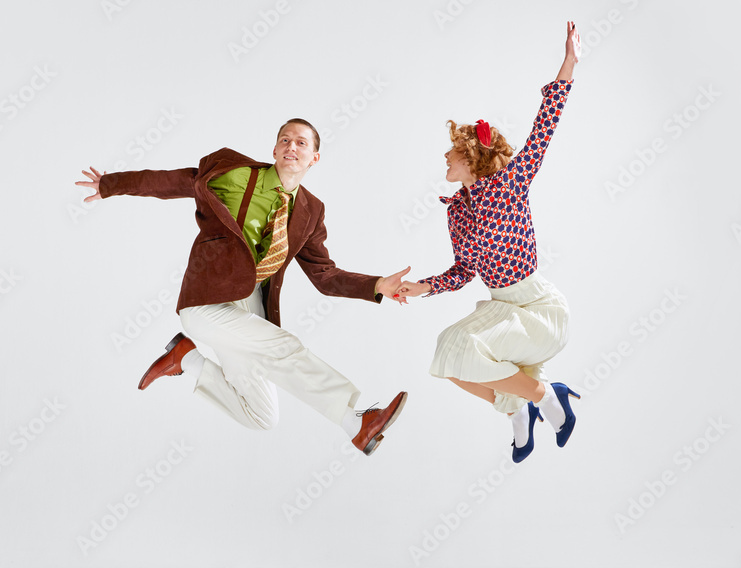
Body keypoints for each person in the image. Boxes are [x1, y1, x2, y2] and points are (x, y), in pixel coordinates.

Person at [75, 119, 408, 455]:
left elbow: (324, 274)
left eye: (301, 143)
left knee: (262, 415)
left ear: (314, 158)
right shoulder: (237, 176)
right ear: (275, 150)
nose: (292, 147)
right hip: (207, 300)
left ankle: (185, 358)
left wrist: (377, 284)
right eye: (285, 140)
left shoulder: (311, 211)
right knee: (283, 346)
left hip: (251, 305)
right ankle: (355, 422)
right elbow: (174, 182)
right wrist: (110, 184)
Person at [398, 21, 581, 463]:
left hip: (536, 308)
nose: (445, 156)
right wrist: (421, 287)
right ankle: (520, 408)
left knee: (459, 348)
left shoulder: (508, 183)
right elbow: (464, 271)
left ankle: (544, 395)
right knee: (450, 359)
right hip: (503, 308)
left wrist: (568, 66)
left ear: (472, 158)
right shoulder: (457, 209)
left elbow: (543, 131)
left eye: (453, 150)